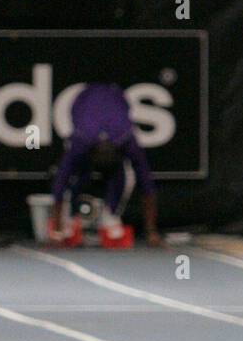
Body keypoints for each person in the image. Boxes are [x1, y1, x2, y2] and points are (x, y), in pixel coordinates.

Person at [47, 82, 161, 246]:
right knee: (72, 173)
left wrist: (152, 232)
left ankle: (111, 215)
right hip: (82, 100)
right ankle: (70, 219)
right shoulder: (80, 141)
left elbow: (147, 185)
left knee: (128, 176)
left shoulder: (128, 140)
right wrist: (56, 232)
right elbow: (60, 184)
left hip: (116, 96)